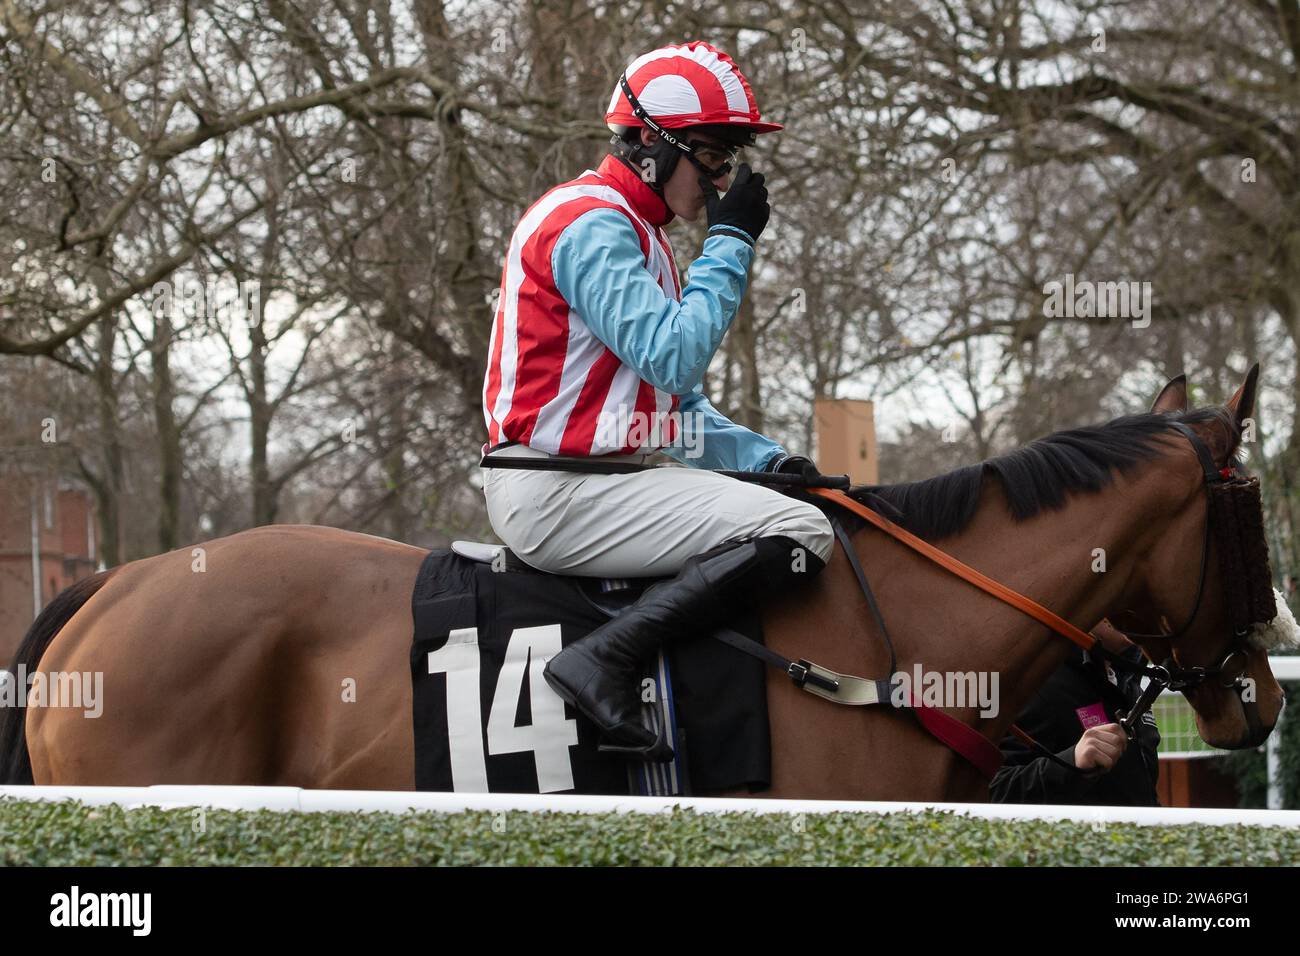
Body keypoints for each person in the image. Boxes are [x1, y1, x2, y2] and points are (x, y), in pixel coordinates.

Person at [479, 41, 836, 760]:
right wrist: (730, 242)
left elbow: (669, 404)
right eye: (710, 154)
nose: (721, 178)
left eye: (729, 159)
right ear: (648, 142)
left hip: (596, 482)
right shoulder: (590, 220)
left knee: (799, 507)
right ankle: (601, 660)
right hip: (558, 493)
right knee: (803, 535)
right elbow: (674, 354)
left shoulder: (639, 234)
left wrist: (771, 461)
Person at [989, 621, 1162, 805]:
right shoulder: (1037, 683)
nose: (1128, 610)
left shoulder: (1129, 678)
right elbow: (994, 791)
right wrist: (1072, 762)